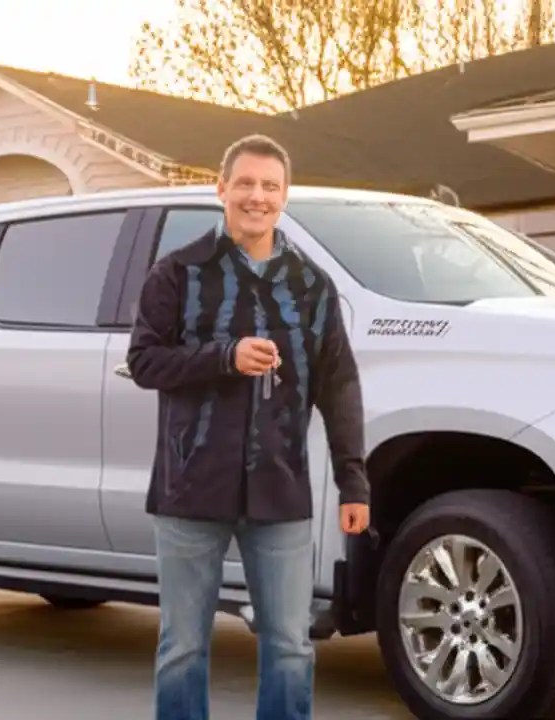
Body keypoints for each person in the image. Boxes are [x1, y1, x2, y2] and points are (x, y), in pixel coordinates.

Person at [126, 134, 371, 720]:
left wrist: (353, 481)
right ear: (221, 188)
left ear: (285, 196)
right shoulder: (177, 273)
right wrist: (223, 356)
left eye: (270, 186)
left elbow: (339, 385)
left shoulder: (312, 286)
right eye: (245, 184)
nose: (256, 197)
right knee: (182, 647)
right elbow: (143, 361)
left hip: (280, 490)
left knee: (290, 647)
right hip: (191, 490)